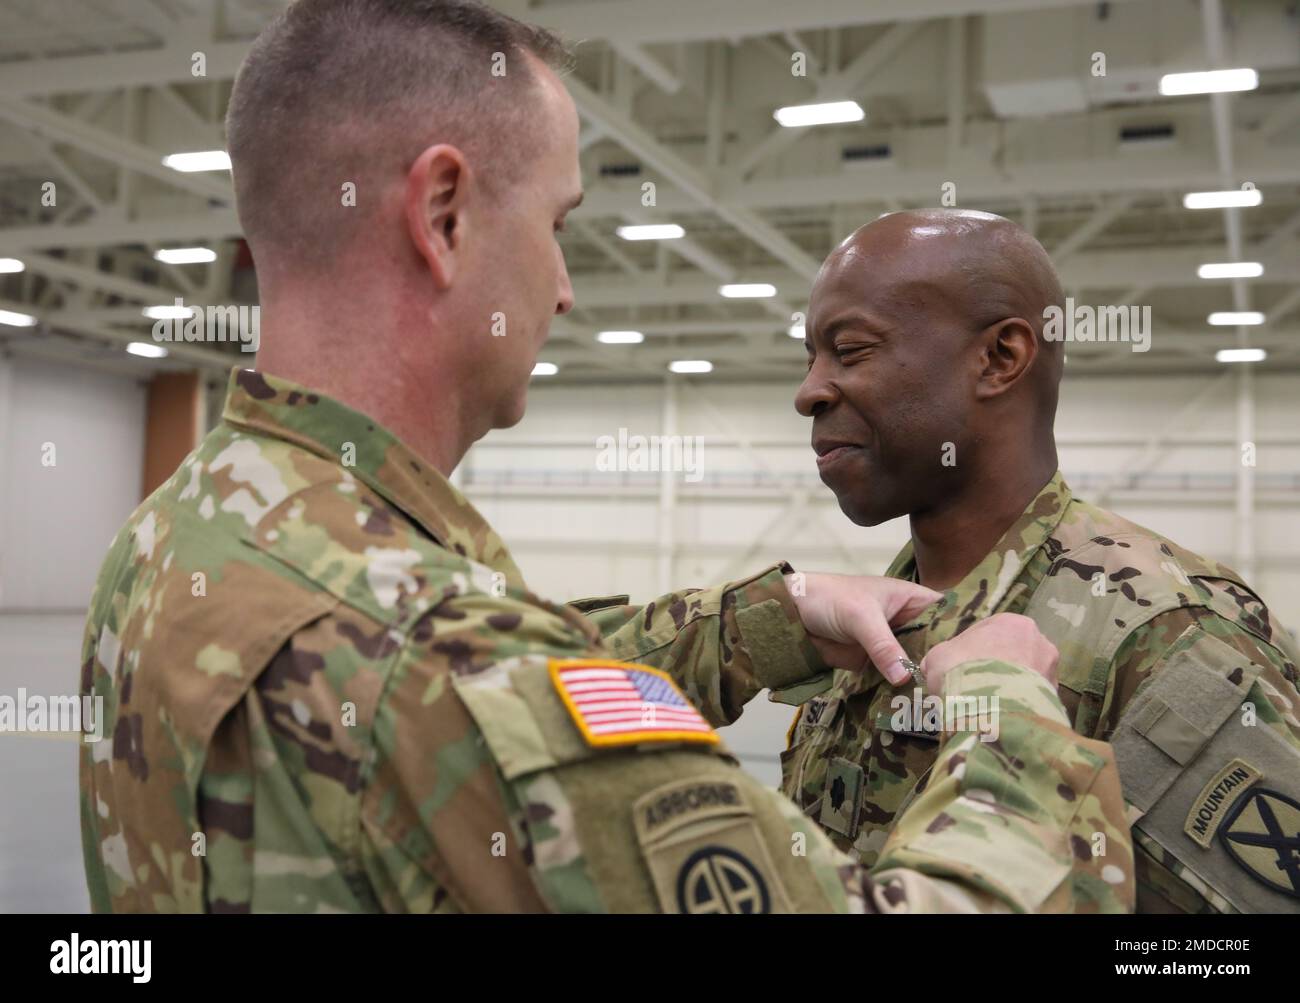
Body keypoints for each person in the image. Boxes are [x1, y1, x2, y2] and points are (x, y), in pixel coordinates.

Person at [78, 1, 1133, 914]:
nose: (568, 286)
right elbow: (483, 679)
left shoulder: (180, 532)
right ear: (442, 214)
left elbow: (515, 675)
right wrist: (1003, 711)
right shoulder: (434, 653)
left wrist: (767, 619)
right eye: (558, 223)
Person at [628, 207, 1299, 913]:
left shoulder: (1167, 634)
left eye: (849, 350)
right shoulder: (864, 624)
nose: (810, 391)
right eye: (810, 357)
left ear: (1000, 358)